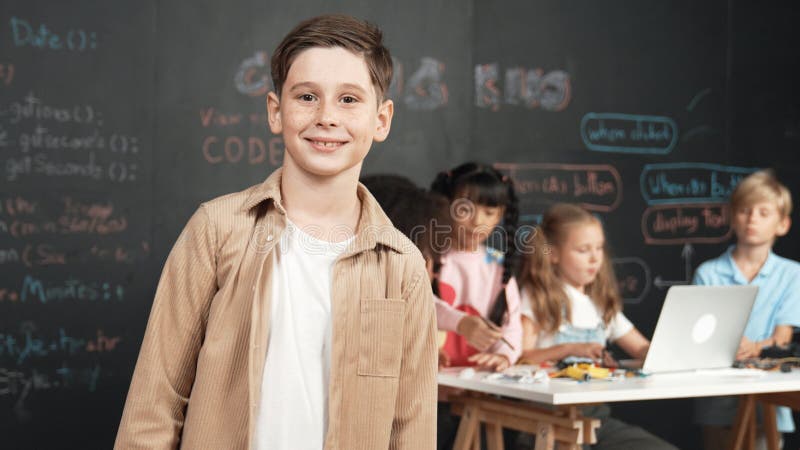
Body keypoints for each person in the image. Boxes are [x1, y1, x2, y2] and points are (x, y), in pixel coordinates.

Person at [114, 15, 437, 450]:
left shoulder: (403, 266)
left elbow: (411, 427)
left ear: (381, 120)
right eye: (306, 96)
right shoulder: (216, 230)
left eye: (348, 99)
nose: (326, 117)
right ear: (275, 110)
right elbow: (154, 404)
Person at [518, 203, 677, 450]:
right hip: (547, 421)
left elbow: (642, 348)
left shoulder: (600, 304)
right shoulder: (538, 297)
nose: (595, 258)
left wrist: (672, 352)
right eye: (583, 250)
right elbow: (522, 358)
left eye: (599, 248)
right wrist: (571, 348)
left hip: (594, 418)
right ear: (553, 254)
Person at [693, 170, 800, 450]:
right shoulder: (709, 273)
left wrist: (754, 347)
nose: (752, 218)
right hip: (717, 397)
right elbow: (696, 338)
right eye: (744, 210)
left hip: (769, 399)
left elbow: (783, 338)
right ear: (732, 217)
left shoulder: (792, 275)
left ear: (782, 224)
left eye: (764, 212)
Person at [430, 162, 523, 372]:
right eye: (465, 210)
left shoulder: (498, 267)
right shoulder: (429, 258)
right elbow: (421, 305)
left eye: (489, 213)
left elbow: (511, 328)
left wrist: (504, 355)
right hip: (428, 387)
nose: (477, 221)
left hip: (479, 388)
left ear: (500, 216)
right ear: (446, 204)